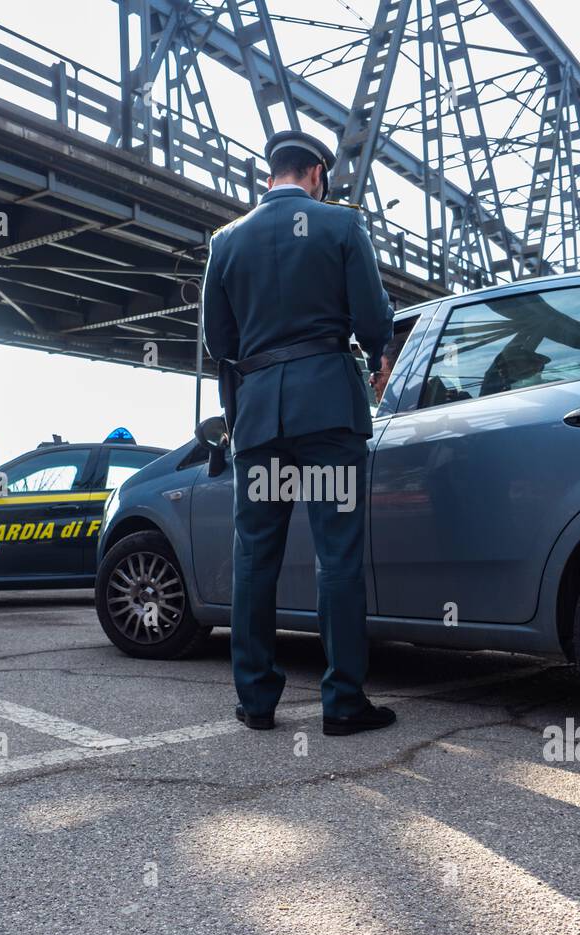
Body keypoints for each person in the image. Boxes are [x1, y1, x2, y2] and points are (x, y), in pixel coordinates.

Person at [200, 129, 395, 737]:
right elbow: (370, 319)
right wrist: (377, 350)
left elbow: (218, 343)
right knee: (336, 554)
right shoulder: (340, 227)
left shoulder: (226, 241)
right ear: (316, 174)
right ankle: (342, 702)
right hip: (327, 413)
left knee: (256, 555)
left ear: (270, 177)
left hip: (260, 419)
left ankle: (256, 700)